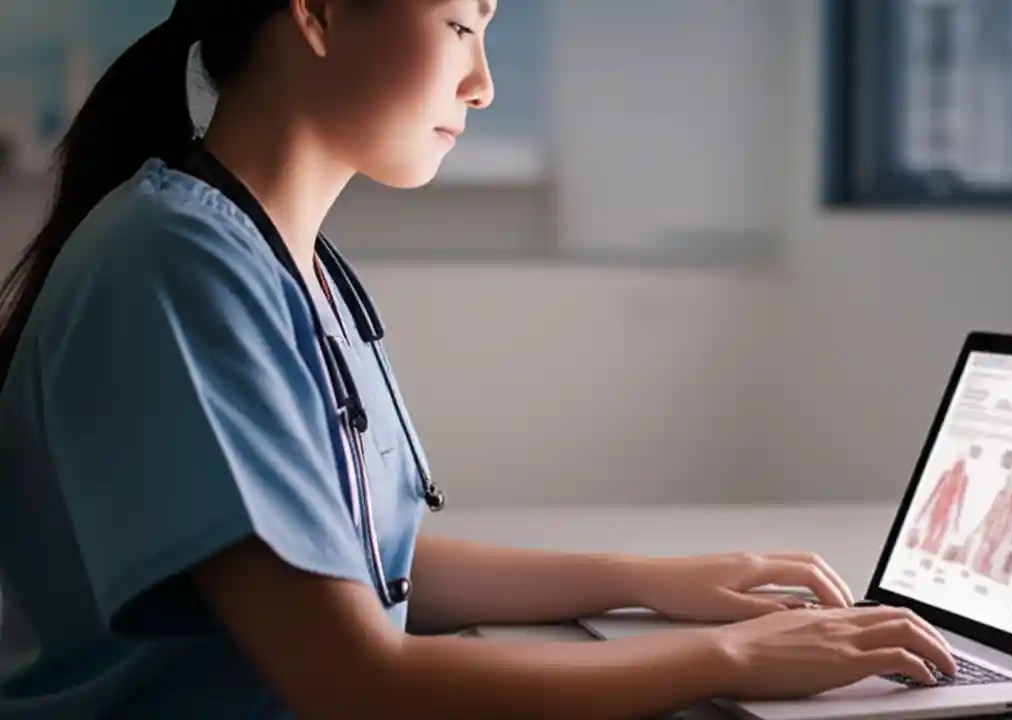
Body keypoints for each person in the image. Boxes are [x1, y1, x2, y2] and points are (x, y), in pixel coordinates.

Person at [0, 1, 955, 717]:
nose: (484, 81)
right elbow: (350, 677)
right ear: (320, 13)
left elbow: (372, 568)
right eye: (461, 23)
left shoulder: (278, 257)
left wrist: (642, 580)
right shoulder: (178, 262)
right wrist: (736, 661)